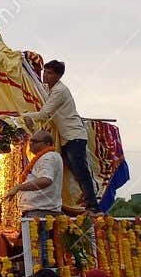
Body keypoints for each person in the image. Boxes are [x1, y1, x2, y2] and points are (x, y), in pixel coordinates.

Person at [39, 59, 101, 212]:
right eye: (44, 71)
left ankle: (93, 205)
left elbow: (44, 113)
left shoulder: (59, 91)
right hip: (67, 137)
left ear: (58, 76)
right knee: (70, 171)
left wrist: (21, 116)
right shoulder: (51, 89)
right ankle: (82, 203)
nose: (45, 75)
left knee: (80, 172)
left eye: (49, 73)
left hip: (74, 136)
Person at [3, 126, 65, 216]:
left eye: (35, 141)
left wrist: (18, 187)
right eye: (31, 141)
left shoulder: (49, 157)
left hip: (42, 212)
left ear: (48, 143)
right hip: (37, 211)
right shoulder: (43, 157)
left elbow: (45, 180)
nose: (31, 143)